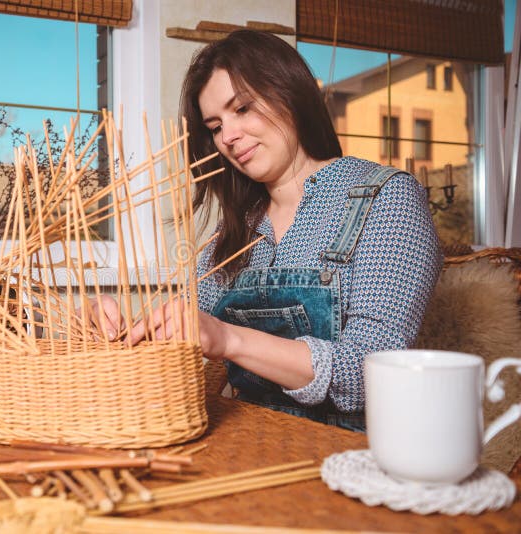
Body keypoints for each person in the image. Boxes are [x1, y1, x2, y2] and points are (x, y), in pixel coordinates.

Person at [90, 29, 442, 432]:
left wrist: (231, 340)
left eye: (242, 108)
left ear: (288, 91)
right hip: (251, 442)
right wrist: (119, 326)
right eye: (215, 126)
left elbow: (376, 373)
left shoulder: (387, 198)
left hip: (354, 454)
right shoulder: (237, 228)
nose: (229, 137)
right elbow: (190, 333)